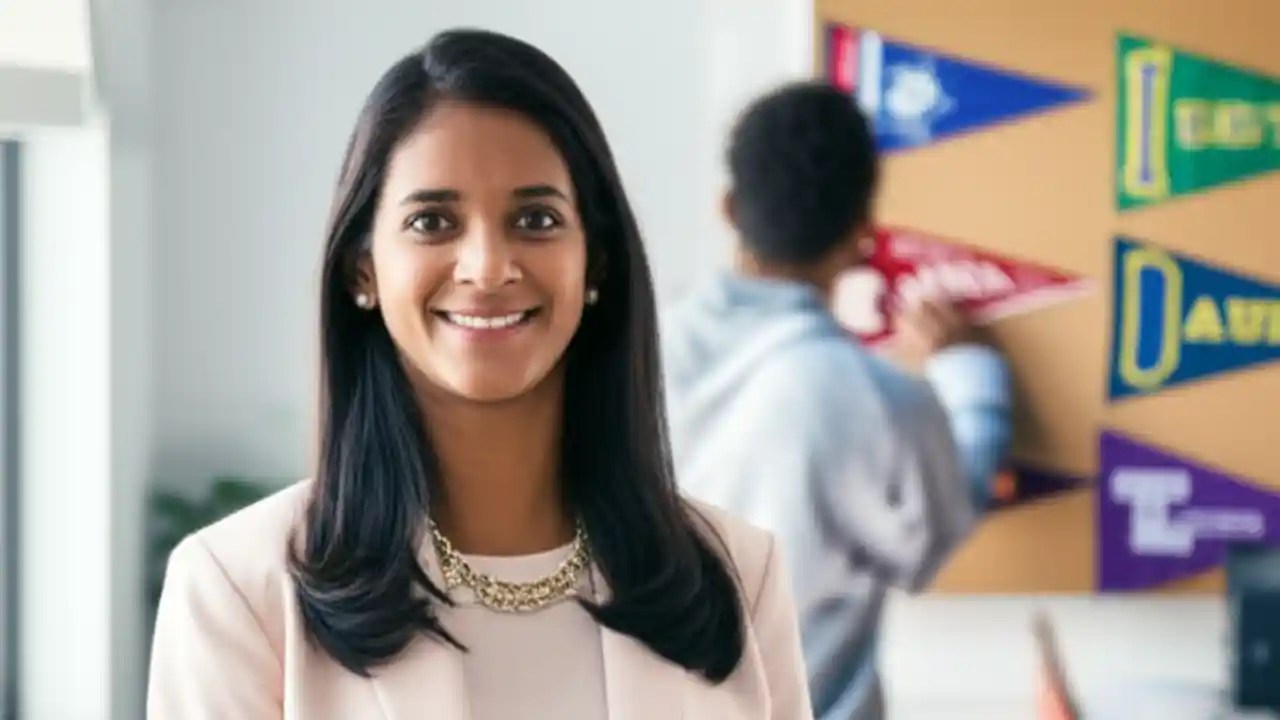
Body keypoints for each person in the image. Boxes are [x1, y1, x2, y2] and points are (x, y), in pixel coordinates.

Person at [147, 29, 813, 720]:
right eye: (432, 222)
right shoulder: (238, 589)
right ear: (363, 269)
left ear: (596, 262)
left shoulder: (739, 577)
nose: (488, 267)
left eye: (536, 218)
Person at [661, 81, 1013, 720]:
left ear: (728, 208)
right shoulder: (884, 401)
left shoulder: (632, 357)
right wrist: (972, 378)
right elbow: (936, 532)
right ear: (862, 234)